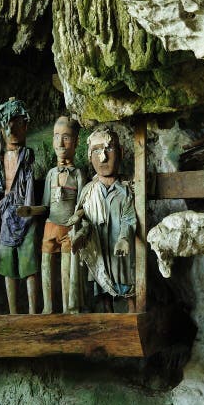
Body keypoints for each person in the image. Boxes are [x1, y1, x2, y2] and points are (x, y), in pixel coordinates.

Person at [18, 116, 85, 313]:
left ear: (76, 142)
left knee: (66, 270)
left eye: (66, 137)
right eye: (56, 137)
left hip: (68, 230)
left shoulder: (78, 175)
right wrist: (31, 210)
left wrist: (78, 215)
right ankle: (47, 307)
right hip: (50, 227)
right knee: (45, 266)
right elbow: (46, 206)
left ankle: (67, 308)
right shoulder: (51, 174)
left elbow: (83, 204)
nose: (60, 143)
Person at [70, 127, 136, 313]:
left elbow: (129, 218)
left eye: (109, 149)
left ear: (120, 152)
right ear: (89, 156)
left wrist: (124, 238)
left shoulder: (127, 190)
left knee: (129, 287)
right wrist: (80, 235)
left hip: (122, 255)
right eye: (96, 150)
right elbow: (85, 220)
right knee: (102, 291)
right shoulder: (88, 191)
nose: (103, 157)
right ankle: (107, 315)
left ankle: (132, 315)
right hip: (99, 252)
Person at [0, 98, 38, 314]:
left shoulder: (27, 155)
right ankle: (13, 312)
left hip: (25, 208)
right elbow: (0, 184)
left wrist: (28, 208)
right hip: (7, 211)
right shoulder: (0, 157)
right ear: (1, 129)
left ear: (24, 126)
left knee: (29, 262)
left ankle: (33, 311)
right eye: (6, 125)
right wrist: (0, 202)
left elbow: (29, 182)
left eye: (16, 124)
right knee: (7, 263)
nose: (11, 130)